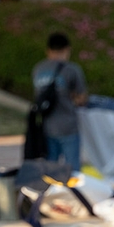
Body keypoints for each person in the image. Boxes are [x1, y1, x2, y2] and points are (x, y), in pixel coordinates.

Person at [31, 32, 88, 166]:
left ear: (48, 50)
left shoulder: (38, 69)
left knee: (50, 169)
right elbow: (82, 99)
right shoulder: (72, 70)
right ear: (67, 49)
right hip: (68, 126)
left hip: (46, 126)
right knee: (72, 170)